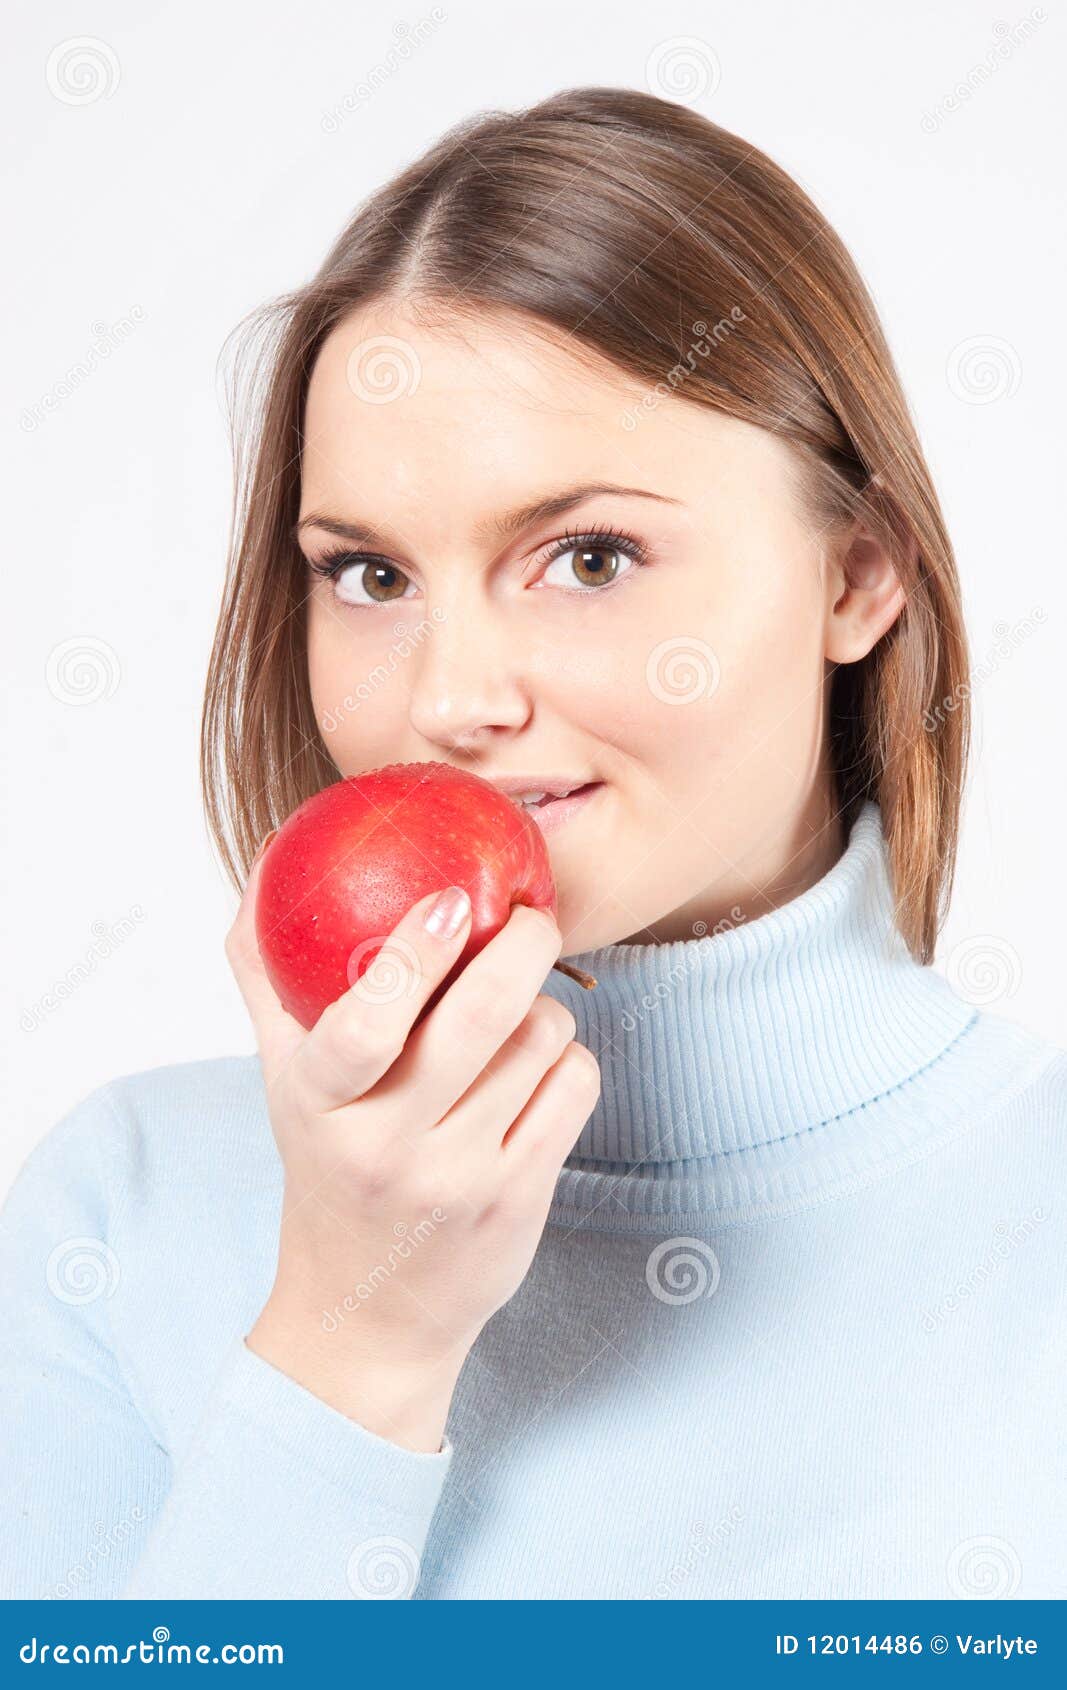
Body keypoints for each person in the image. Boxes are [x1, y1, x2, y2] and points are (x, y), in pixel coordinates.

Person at [3, 86, 1064, 1602]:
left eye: (587, 557)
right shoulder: (122, 1207)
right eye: (368, 572)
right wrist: (348, 1347)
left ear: (859, 573)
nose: (447, 698)